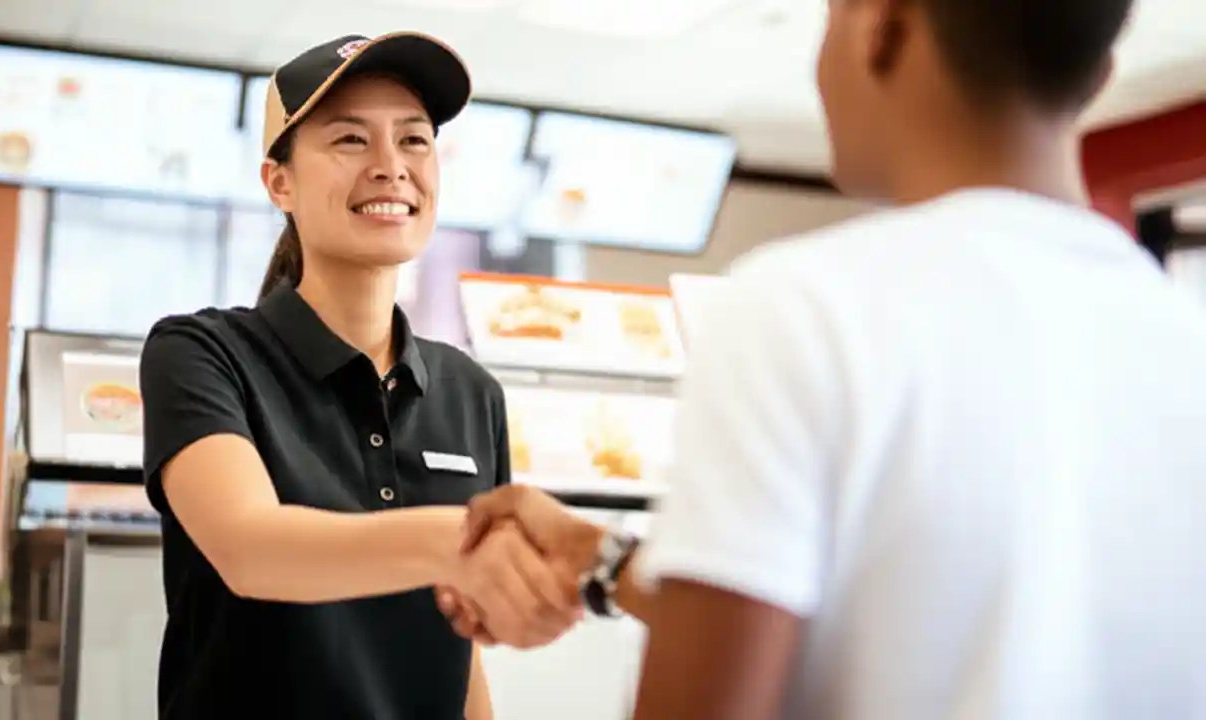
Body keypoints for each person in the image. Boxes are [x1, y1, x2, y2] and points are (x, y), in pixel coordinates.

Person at [445, 0, 1206, 718]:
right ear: (1096, 74)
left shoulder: (802, 308)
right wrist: (602, 559)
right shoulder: (1181, 340)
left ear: (878, 26)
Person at [138, 33, 578, 720]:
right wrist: (459, 544)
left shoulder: (470, 391)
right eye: (350, 140)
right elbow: (254, 551)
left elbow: (463, 650)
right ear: (279, 182)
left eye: (414, 141)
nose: (390, 167)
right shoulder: (203, 353)